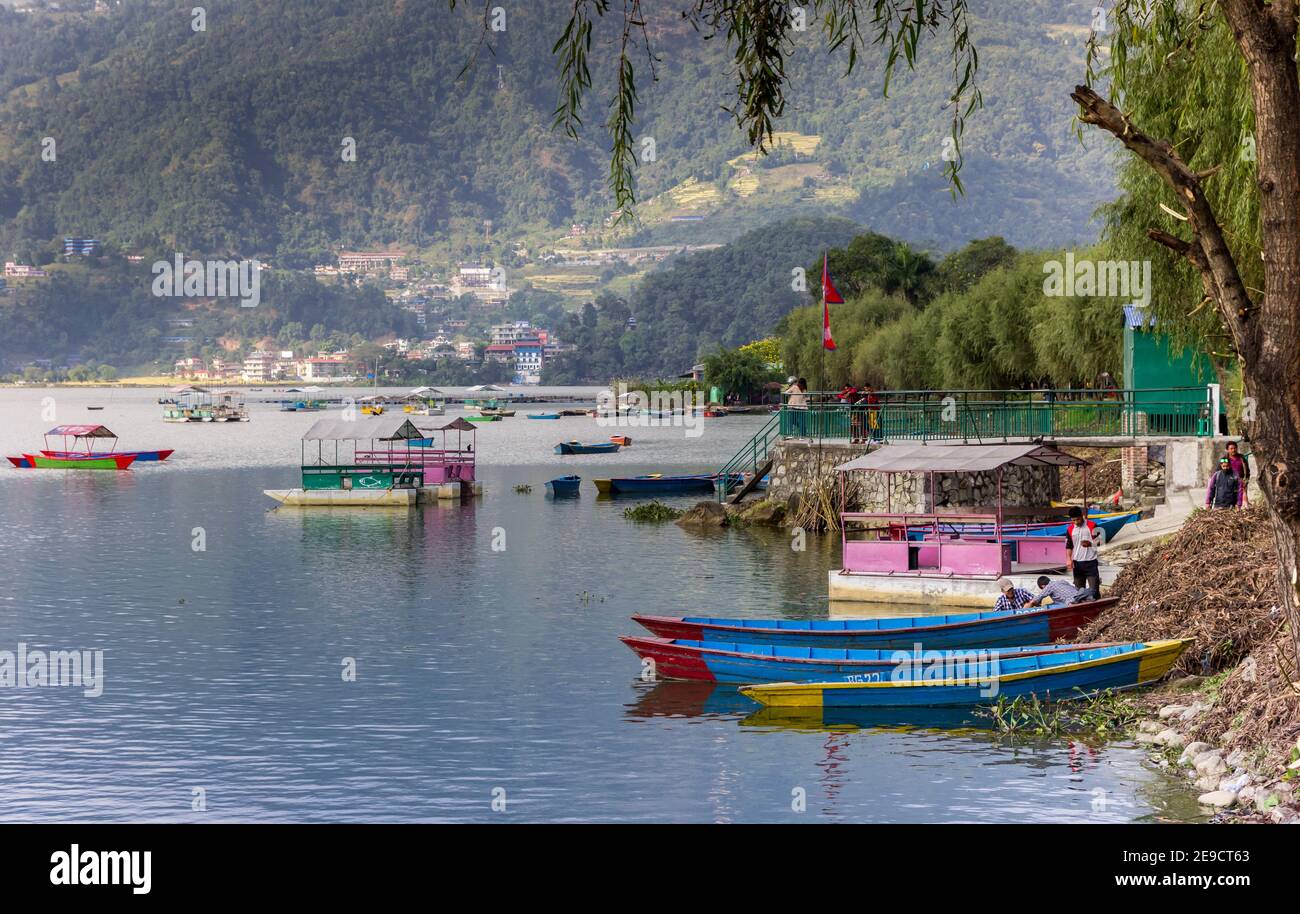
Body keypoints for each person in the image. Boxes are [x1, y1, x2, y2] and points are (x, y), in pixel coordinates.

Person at [1065, 506, 1102, 596]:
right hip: (1077, 564)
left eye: (1078, 519)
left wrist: (1090, 544)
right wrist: (1069, 559)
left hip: (1091, 563)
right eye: (1073, 520)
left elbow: (1101, 541)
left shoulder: (1092, 525)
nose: (1076, 522)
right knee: (1079, 592)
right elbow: (1069, 546)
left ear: (1082, 516)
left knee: (1094, 591)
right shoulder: (1070, 529)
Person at [1026, 575, 1097, 607]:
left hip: (1072, 601)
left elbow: (1037, 598)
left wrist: (1030, 605)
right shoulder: (1062, 581)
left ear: (1042, 586)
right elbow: (1061, 598)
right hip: (1080, 594)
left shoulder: (1049, 586)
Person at [1225, 441, 1251, 507]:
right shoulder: (1225, 459)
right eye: (1231, 449)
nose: (1233, 450)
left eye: (1235, 448)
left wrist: (1246, 480)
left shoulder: (1241, 458)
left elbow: (1247, 470)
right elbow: (1220, 469)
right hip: (1229, 482)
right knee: (1230, 500)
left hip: (1241, 482)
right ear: (1227, 450)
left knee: (1242, 501)